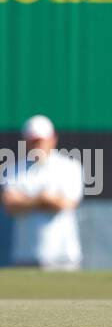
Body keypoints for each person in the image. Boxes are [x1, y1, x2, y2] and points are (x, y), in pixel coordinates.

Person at [1, 115, 84, 271]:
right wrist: (42, 198)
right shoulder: (13, 170)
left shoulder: (70, 167)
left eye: (40, 141)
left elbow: (65, 204)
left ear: (52, 139)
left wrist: (26, 201)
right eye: (32, 141)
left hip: (64, 257)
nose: (37, 146)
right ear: (26, 142)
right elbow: (11, 206)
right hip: (25, 256)